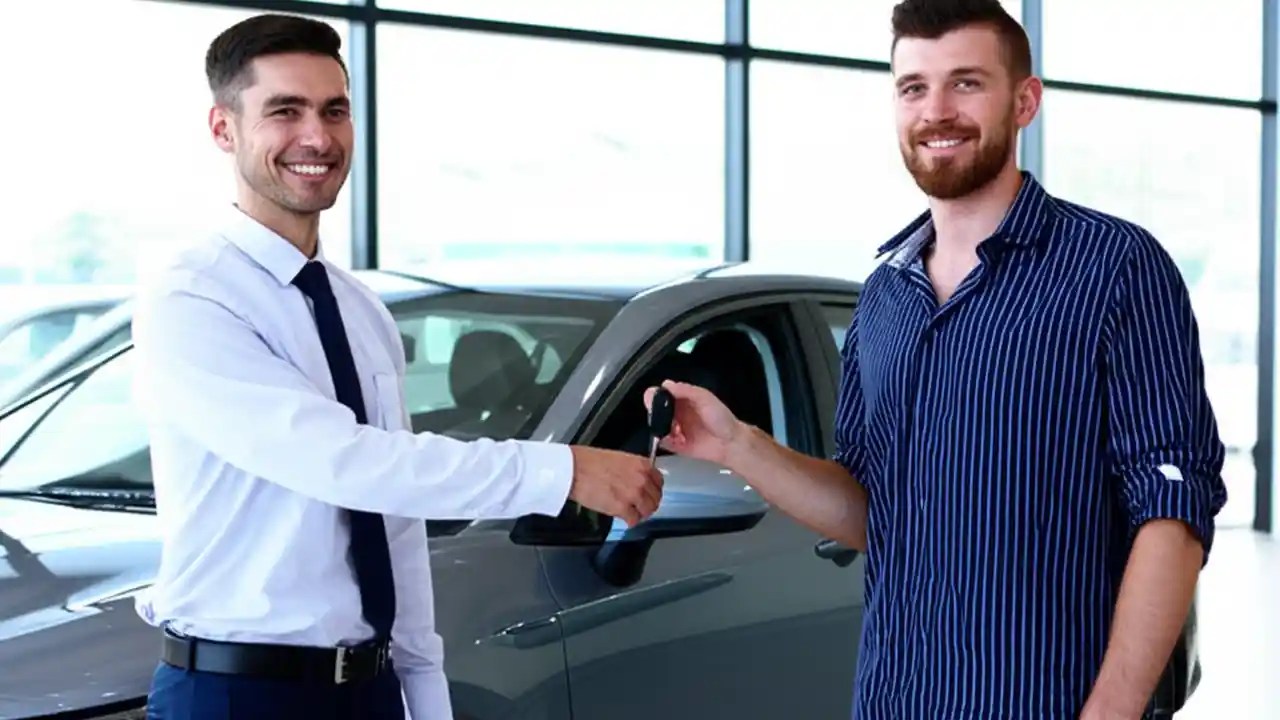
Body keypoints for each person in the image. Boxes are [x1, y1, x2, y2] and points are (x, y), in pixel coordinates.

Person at [646, 1, 1227, 718]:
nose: (936, 111)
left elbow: (1173, 508)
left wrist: (1110, 711)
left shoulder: (1116, 267)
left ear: (1025, 100)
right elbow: (871, 511)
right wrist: (737, 445)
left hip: (1044, 700)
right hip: (897, 698)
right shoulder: (886, 292)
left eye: (966, 83)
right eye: (914, 87)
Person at [131, 13, 663, 720]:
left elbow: (394, 523)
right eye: (284, 111)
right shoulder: (191, 294)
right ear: (224, 130)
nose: (317, 138)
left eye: (334, 110)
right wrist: (561, 471)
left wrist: (421, 692)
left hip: (371, 691)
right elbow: (342, 460)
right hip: (237, 694)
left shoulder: (359, 309)